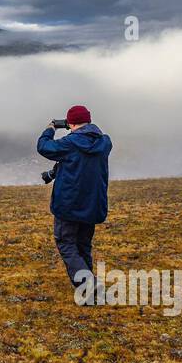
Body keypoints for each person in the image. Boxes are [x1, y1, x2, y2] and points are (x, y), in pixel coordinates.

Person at [36, 104, 112, 292]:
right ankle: (88, 293)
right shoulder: (104, 143)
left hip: (69, 206)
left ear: (71, 123)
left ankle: (89, 287)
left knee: (67, 243)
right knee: (82, 245)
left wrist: (50, 129)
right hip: (92, 205)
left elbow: (43, 147)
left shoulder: (69, 144)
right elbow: (79, 161)